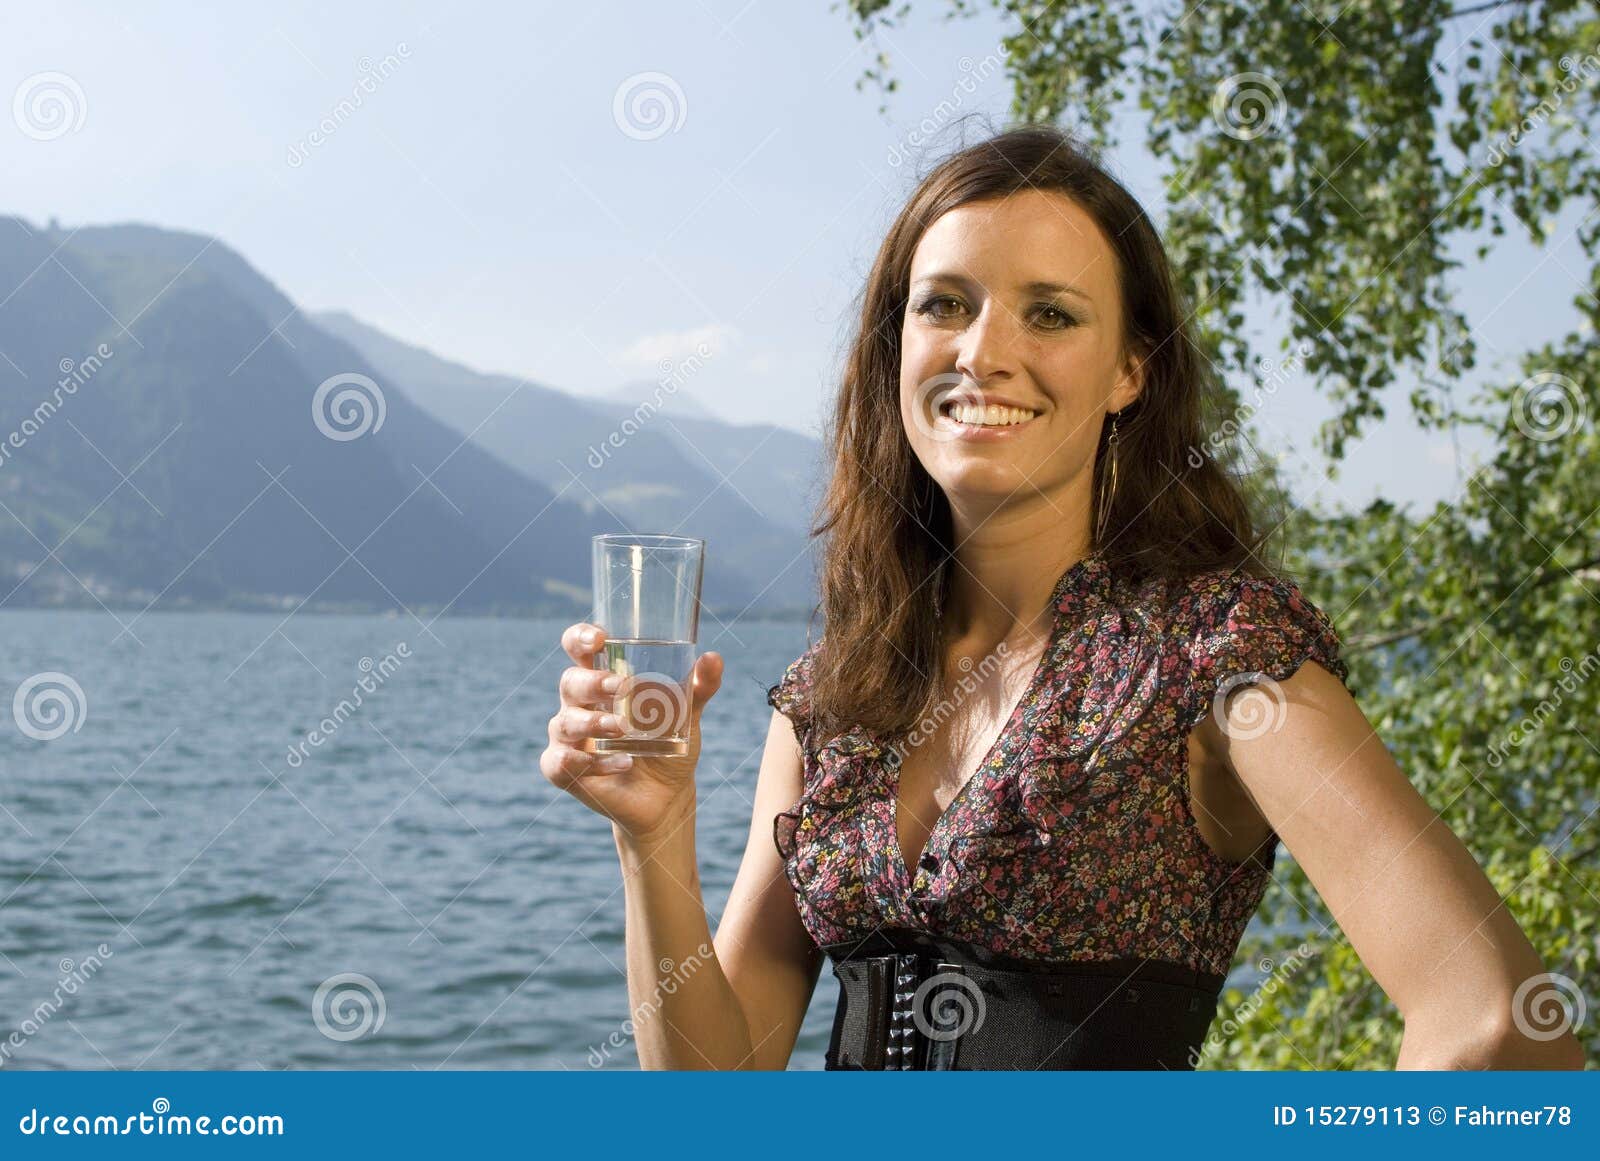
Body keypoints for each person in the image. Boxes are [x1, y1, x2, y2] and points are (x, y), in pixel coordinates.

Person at [541, 125, 1585, 1071]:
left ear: (1130, 370)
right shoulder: (832, 701)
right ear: (894, 345)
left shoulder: (1216, 655)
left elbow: (1494, 1020)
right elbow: (716, 1098)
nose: (983, 351)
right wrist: (654, 838)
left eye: (1049, 313)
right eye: (943, 304)